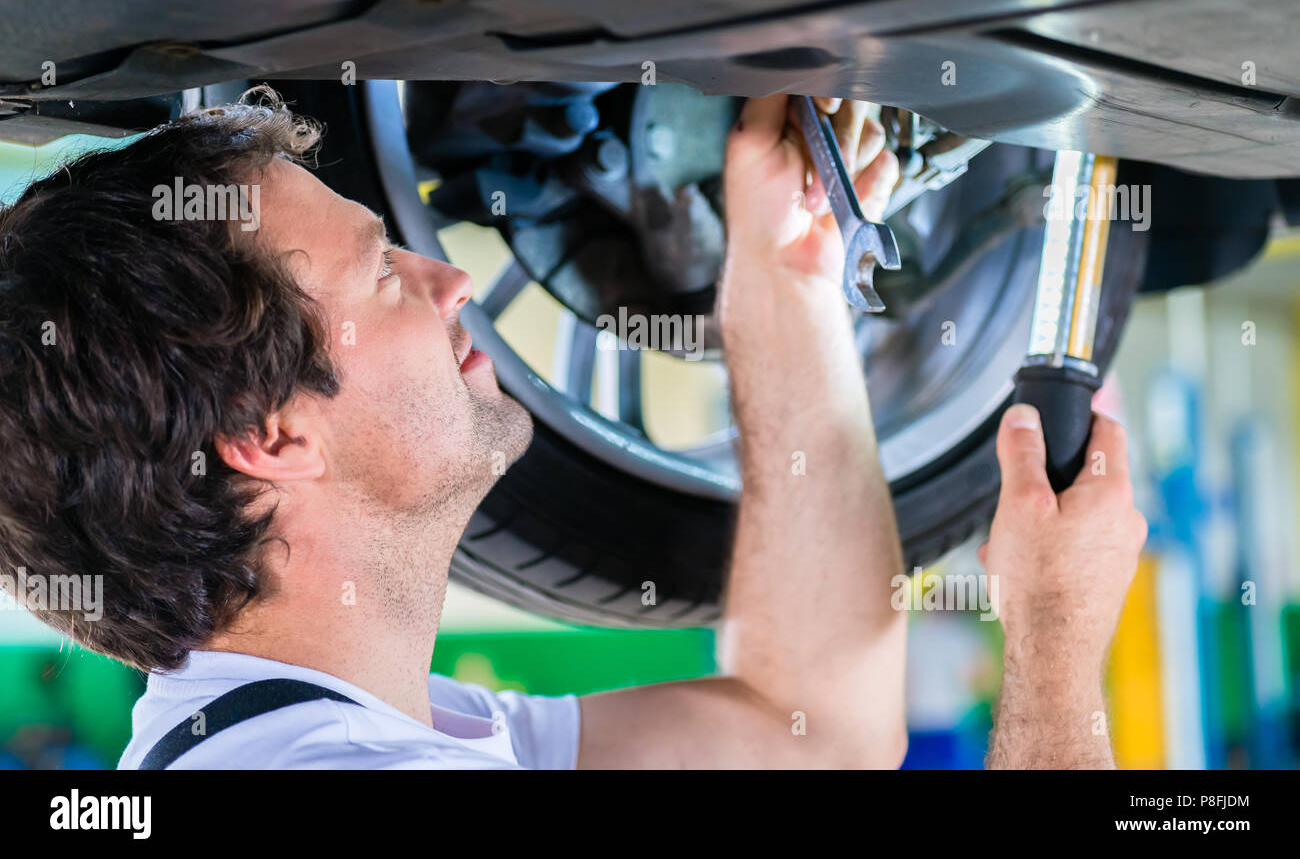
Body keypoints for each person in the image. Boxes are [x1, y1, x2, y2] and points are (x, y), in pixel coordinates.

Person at [0, 88, 1144, 769]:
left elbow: (810, 736)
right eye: (383, 274)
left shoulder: (347, 728)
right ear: (268, 432)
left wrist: (787, 276)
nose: (448, 280)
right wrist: (1050, 644)